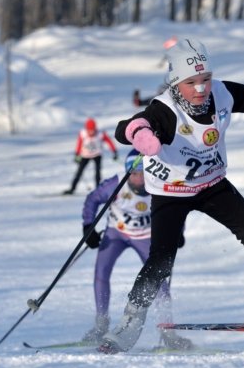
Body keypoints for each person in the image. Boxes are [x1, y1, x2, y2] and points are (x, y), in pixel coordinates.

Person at [99, 38, 244, 353]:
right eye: (191, 83)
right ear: (176, 84)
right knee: (161, 259)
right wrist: (140, 133)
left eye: (205, 79)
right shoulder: (165, 109)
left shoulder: (222, 93)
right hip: (171, 191)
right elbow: (128, 127)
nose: (200, 89)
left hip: (211, 184)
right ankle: (130, 322)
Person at [80, 149, 192, 349]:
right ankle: (101, 325)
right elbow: (92, 199)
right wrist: (88, 226)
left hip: (146, 237)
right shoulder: (115, 185)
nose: (138, 178)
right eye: (133, 173)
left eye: (142, 173)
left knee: (159, 281)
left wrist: (178, 232)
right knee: (101, 273)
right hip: (116, 233)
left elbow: (176, 210)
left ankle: (168, 332)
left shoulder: (159, 185)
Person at [63, 118, 118, 195]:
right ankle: (72, 188)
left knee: (97, 172)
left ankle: (98, 189)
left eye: (92, 129)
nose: (91, 132)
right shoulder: (83, 133)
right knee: (79, 172)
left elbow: (109, 141)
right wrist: (77, 154)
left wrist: (114, 151)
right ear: (87, 128)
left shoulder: (100, 134)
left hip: (97, 155)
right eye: (89, 130)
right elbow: (79, 144)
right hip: (85, 155)